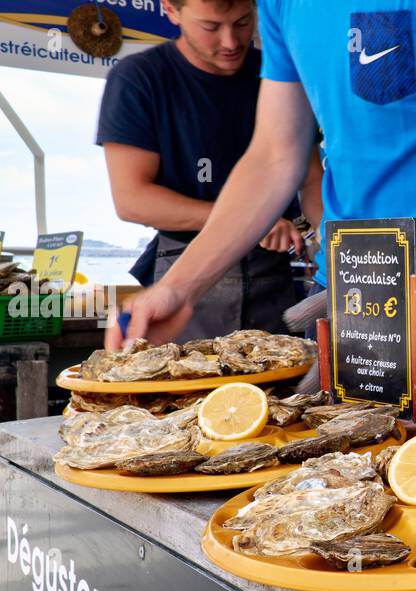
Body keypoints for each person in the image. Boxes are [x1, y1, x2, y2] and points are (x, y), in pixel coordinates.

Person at [106, 0, 416, 422]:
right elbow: (273, 158)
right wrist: (180, 287)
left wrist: (400, 290)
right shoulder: (282, 5)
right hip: (346, 308)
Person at [96, 0, 316, 340]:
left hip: (274, 276)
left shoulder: (277, 73)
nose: (230, 42)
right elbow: (132, 200)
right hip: (183, 263)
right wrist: (254, 221)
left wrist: (332, 249)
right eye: (211, 27)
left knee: (280, 386)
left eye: (243, 22)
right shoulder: (140, 78)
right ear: (170, 10)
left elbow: (310, 176)